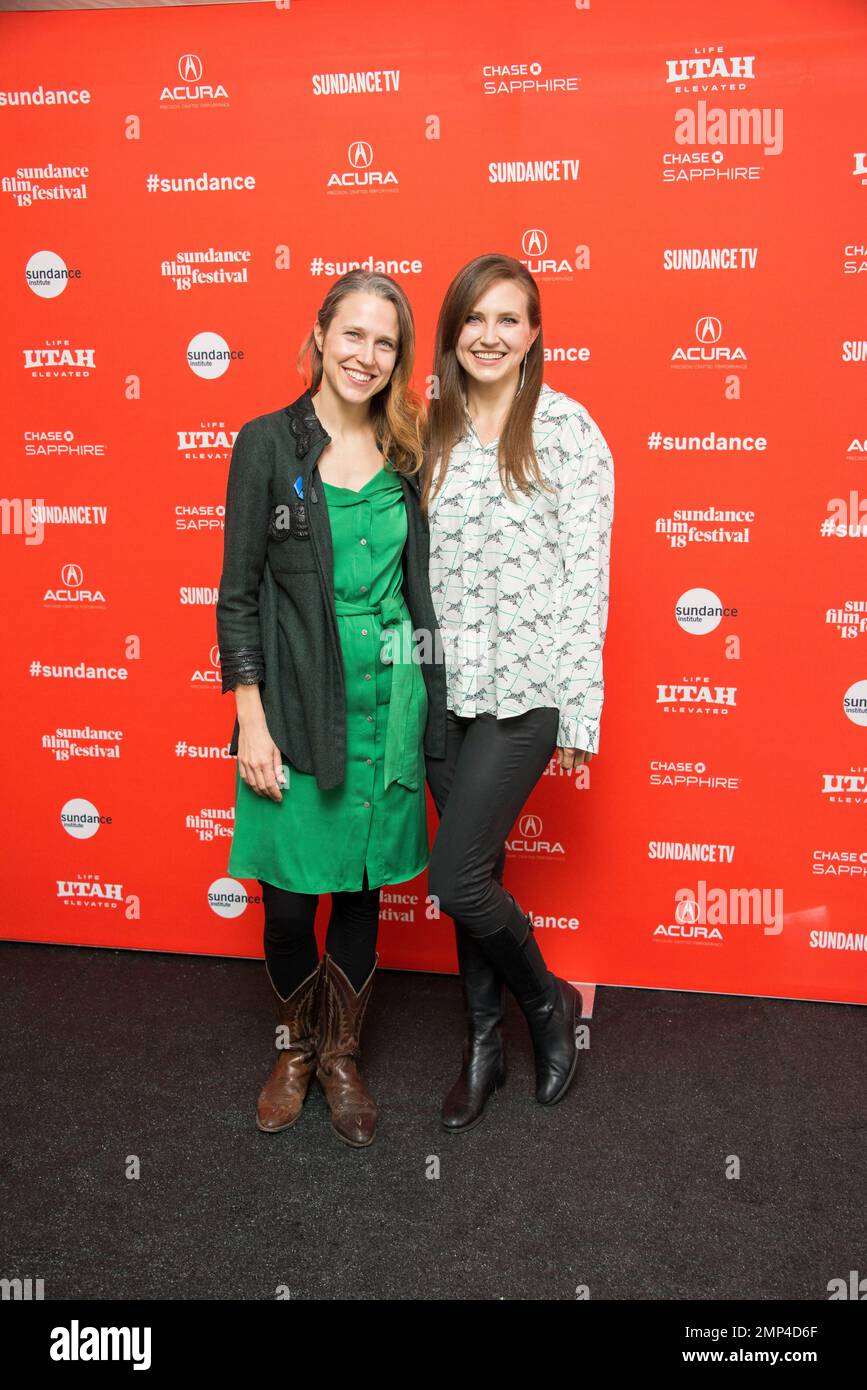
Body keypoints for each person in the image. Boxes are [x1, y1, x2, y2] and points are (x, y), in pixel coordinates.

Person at [216, 271, 446, 1147]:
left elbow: (421, 586)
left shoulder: (407, 447)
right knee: (285, 902)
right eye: (352, 335)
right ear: (319, 335)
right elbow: (238, 595)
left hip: (390, 694)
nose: (366, 356)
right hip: (298, 697)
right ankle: (294, 1050)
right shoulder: (267, 444)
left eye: (384, 343)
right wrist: (252, 717)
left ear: (399, 359)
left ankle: (341, 1056)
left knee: (359, 892)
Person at [420, 252, 614, 1131]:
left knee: (457, 881)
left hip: (525, 690)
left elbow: (587, 580)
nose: (490, 335)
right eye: (474, 319)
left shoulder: (569, 430)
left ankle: (547, 1003)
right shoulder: (426, 430)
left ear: (533, 334)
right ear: (452, 333)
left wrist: (578, 707)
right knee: (481, 867)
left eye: (509, 319)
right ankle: (483, 1049)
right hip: (436, 686)